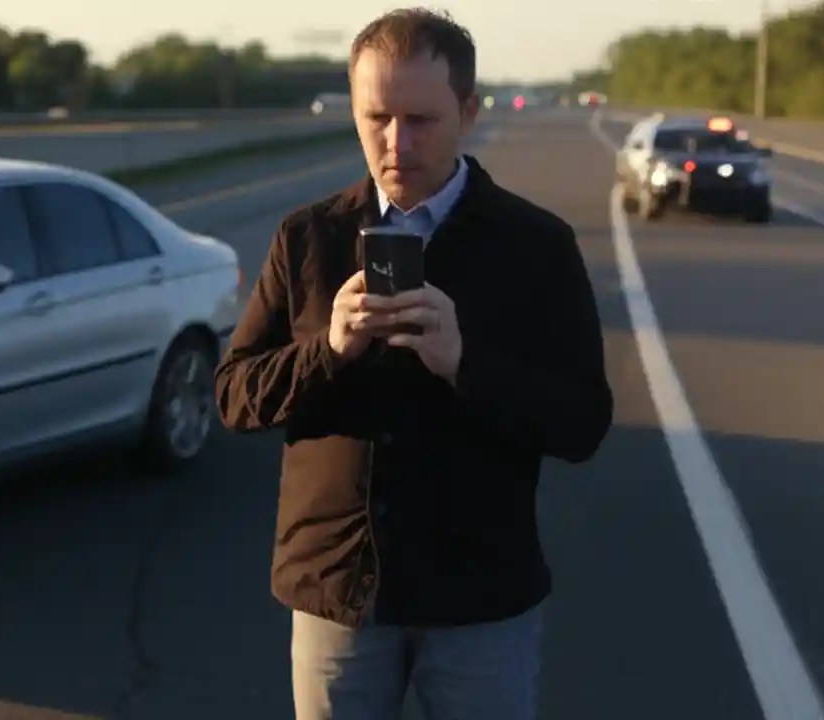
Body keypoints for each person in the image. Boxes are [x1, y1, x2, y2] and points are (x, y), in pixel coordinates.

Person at [213, 7, 613, 720]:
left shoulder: (535, 245)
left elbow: (583, 421)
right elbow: (234, 396)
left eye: (421, 120)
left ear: (468, 110)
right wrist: (327, 351)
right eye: (376, 118)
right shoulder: (308, 238)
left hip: (480, 600)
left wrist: (465, 364)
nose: (395, 143)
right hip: (338, 592)